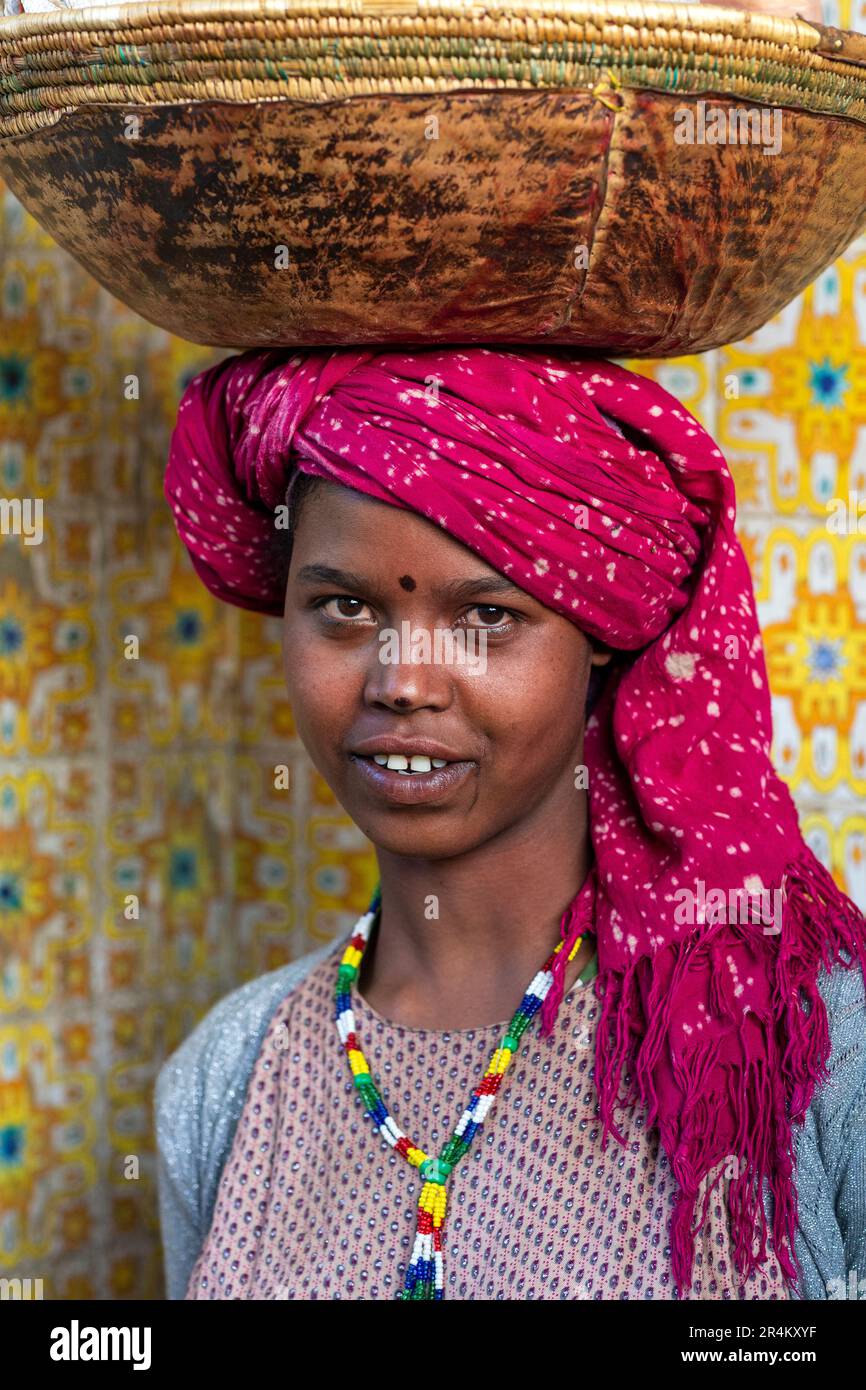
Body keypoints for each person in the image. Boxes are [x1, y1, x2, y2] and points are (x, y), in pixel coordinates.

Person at [156, 346, 866, 1301]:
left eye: (486, 617)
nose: (401, 681)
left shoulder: (802, 1047)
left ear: (607, 643)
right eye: (341, 607)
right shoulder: (224, 1082)